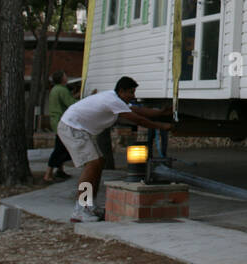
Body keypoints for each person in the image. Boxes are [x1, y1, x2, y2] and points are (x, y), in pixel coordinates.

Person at [57, 76, 174, 222]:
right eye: (131, 92)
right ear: (121, 91)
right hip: (72, 127)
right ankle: (80, 209)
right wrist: (161, 126)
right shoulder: (113, 101)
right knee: (92, 164)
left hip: (79, 129)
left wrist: (160, 113)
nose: (133, 96)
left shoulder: (116, 100)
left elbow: (139, 111)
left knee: (99, 162)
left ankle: (89, 206)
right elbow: (138, 119)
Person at [43, 70, 76, 183]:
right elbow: (71, 103)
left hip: (55, 121)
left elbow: (65, 100)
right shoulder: (62, 89)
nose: (67, 77)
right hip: (61, 122)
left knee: (61, 146)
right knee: (60, 148)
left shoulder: (55, 89)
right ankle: (48, 174)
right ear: (62, 78)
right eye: (65, 75)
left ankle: (60, 171)